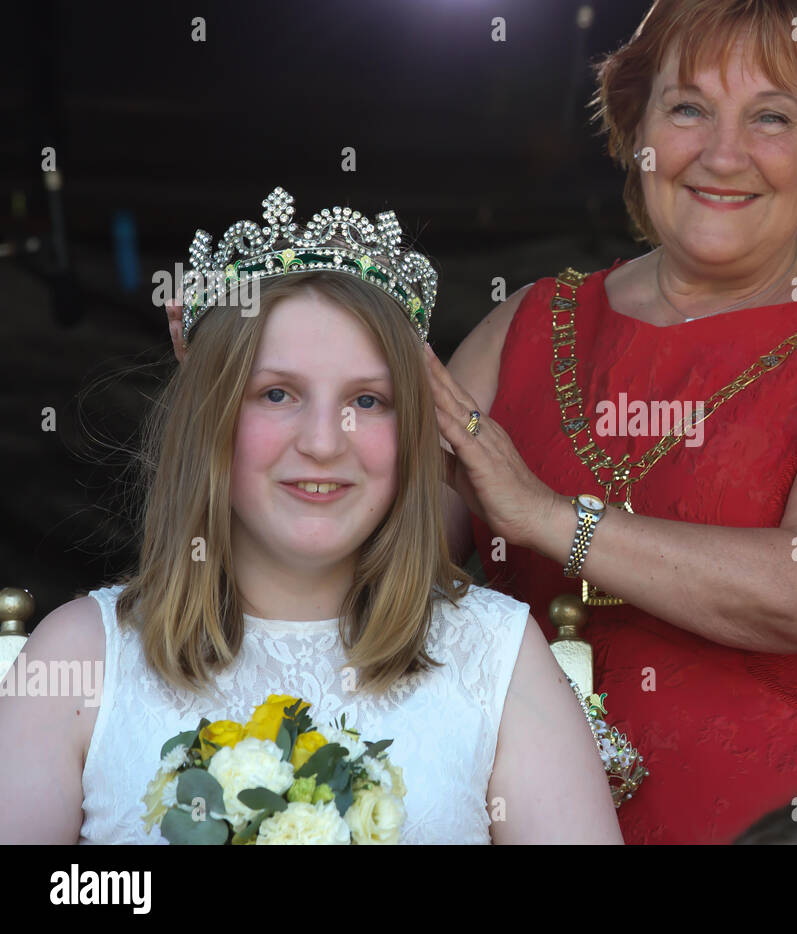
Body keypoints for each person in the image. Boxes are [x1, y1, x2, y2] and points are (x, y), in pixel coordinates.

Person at [422, 0, 797, 844]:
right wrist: (244, 378)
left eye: (772, 117)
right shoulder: (525, 322)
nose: (723, 153)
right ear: (635, 125)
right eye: (688, 109)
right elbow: (368, 568)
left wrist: (545, 518)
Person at [0, 188, 622, 844]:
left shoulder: (496, 657)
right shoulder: (81, 656)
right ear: (210, 418)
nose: (325, 441)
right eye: (277, 393)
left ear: (412, 431)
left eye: (368, 399)